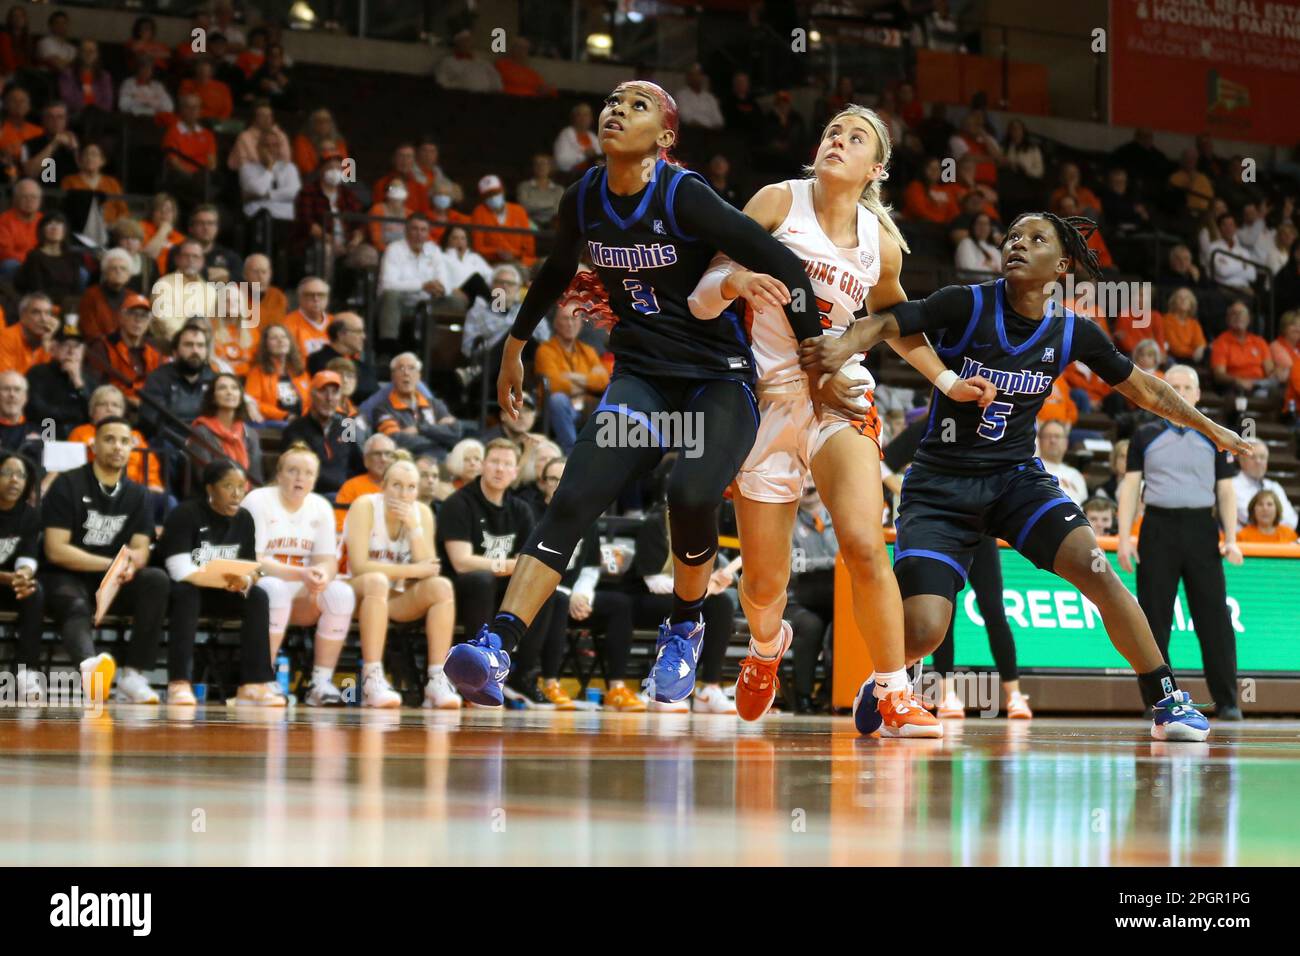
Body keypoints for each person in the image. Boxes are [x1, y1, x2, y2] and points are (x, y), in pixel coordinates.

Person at [444, 80, 829, 710]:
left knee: (691, 493)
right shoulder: (584, 198)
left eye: (638, 105)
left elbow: (786, 266)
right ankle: (497, 645)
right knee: (574, 496)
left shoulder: (686, 196)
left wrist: (817, 355)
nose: (617, 110)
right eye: (613, 101)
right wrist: (514, 346)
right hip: (644, 380)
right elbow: (557, 270)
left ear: (666, 138)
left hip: (717, 379)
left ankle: (683, 626)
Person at [803, 212, 1253, 741]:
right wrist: (843, 343)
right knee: (924, 629)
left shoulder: (1071, 332)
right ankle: (886, 681)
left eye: (1035, 239)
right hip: (941, 487)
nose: (1017, 244)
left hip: (1017, 479)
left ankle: (1167, 700)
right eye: (1012, 236)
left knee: (1097, 570)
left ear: (1061, 266)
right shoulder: (966, 303)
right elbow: (888, 319)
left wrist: (1209, 428)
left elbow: (1146, 389)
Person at [689, 104, 998, 734]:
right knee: (766, 585)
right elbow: (702, 293)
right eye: (832, 131)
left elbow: (895, 323)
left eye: (855, 138)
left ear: (874, 168)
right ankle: (766, 647)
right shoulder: (779, 200)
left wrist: (946, 380)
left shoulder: (880, 244)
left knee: (861, 542)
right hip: (766, 401)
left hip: (842, 398)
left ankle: (893, 690)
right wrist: (738, 281)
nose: (838, 141)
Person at [1117, 365, 1244, 721]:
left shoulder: (1213, 435)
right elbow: (1130, 486)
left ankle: (1228, 700)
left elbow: (1226, 489)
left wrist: (1231, 538)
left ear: (1198, 394)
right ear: (1160, 391)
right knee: (1153, 619)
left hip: (1202, 529)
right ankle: (1158, 700)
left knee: (1214, 618)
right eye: (1172, 386)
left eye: (1187, 387)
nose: (1180, 392)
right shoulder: (1144, 435)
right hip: (1158, 528)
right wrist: (1125, 537)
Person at [41, 417, 172, 705]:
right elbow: (55, 549)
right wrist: (110, 565)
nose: (118, 447)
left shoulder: (138, 494)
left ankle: (133, 676)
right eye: (110, 439)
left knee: (156, 580)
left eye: (125, 441)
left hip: (114, 582)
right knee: (75, 604)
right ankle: (91, 671)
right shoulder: (67, 484)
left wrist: (134, 562)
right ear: (94, 445)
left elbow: (141, 549)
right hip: (66, 575)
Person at [437, 438, 562, 706]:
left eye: (507, 464)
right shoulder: (458, 503)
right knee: (482, 579)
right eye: (494, 462)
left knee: (546, 590)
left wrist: (510, 568)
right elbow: (461, 562)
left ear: (515, 472)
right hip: (459, 590)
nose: (499, 469)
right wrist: (504, 566)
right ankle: (476, 672)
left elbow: (528, 563)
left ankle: (521, 675)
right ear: (483, 465)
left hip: (501, 588)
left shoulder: (521, 510)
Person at [158, 460, 284, 706]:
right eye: (228, 486)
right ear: (210, 489)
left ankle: (253, 684)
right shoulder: (186, 514)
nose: (237, 493)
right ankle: (179, 682)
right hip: (181, 591)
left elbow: (251, 567)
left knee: (258, 596)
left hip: (221, 592)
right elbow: (178, 569)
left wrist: (245, 581)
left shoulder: (245, 519)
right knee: (187, 593)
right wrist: (217, 577)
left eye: (241, 486)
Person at [341, 454, 461, 709]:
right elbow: (360, 565)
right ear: (383, 486)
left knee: (442, 588)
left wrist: (414, 528)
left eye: (411, 487)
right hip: (352, 593)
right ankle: (372, 677)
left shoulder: (423, 513)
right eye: (396, 485)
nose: (403, 493)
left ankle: (437, 680)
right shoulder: (365, 505)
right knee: (375, 580)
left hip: (392, 598)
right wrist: (413, 570)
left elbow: (430, 570)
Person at [243, 443, 358, 706]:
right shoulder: (258, 500)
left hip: (302, 592)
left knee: (341, 593)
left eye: (307, 473)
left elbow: (328, 560)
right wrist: (302, 573)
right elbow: (255, 562)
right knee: (275, 588)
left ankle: (320, 682)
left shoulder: (320, 507)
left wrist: (322, 575)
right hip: (256, 591)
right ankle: (264, 678)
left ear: (315, 479)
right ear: (279, 474)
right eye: (293, 471)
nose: (300, 478)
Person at [532, 455, 640, 710]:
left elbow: (591, 568)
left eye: (565, 479)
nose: (559, 485)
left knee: (620, 604)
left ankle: (616, 688)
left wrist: (581, 595)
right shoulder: (533, 513)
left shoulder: (587, 518)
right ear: (543, 483)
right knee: (557, 599)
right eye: (553, 479)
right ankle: (549, 682)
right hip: (541, 596)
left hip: (571, 596)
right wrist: (568, 594)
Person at [928, 536, 1032, 720]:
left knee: (995, 611)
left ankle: (1014, 695)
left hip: (981, 534)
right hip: (945, 534)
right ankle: (947, 695)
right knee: (946, 613)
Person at [533, 296, 609, 452]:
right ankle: (572, 454)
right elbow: (554, 385)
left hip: (586, 408)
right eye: (565, 319)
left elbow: (603, 381)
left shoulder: (588, 351)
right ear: (555, 323)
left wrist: (574, 379)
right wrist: (588, 383)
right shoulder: (545, 350)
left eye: (574, 319)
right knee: (558, 399)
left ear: (581, 323)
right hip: (556, 410)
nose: (570, 324)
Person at [0, 452, 45, 703]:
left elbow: (28, 555)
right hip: (3, 579)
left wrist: (23, 575)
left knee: (34, 590)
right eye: (7, 473)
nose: (14, 480)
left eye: (20, 475)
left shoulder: (30, 515)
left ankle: (25, 672)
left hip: (8, 584)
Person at [281, 372, 363, 496]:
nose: (329, 398)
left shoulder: (347, 425)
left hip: (345, 496)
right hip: (311, 496)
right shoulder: (295, 429)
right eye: (323, 391)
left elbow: (357, 464)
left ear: (340, 397)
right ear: (312, 395)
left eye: (335, 392)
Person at [371, 353, 462, 458]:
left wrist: (420, 429)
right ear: (393, 377)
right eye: (401, 368)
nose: (406, 373)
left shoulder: (435, 404)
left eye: (411, 368)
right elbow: (395, 440)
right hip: (407, 465)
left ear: (419, 376)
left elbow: (455, 432)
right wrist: (440, 438)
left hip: (440, 464)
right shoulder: (383, 409)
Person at [188, 373, 264, 484]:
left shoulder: (250, 434)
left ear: (240, 396)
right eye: (222, 388)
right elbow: (203, 476)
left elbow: (255, 477)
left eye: (234, 388)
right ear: (213, 397)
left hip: (246, 496)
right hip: (211, 497)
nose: (229, 392)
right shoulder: (201, 432)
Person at [242, 323, 309, 423]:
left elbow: (311, 401)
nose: (280, 341)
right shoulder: (257, 372)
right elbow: (254, 402)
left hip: (302, 423)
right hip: (274, 424)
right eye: (274, 338)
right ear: (266, 345)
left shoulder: (300, 371)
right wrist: (285, 416)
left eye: (284, 337)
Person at [333, 432, 395, 530]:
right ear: (366, 460)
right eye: (377, 454)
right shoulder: (351, 487)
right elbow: (340, 526)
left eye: (388, 454)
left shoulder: (404, 486)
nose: (383, 459)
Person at [1232, 439, 1297, 531]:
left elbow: (1292, 520)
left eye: (1262, 457)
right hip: (1244, 542)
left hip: (1279, 541)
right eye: (1253, 457)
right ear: (1241, 461)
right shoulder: (1231, 486)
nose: (1258, 461)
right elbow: (1248, 517)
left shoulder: (1275, 486)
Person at [1035, 419, 1088, 504]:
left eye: (1057, 436)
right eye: (1048, 436)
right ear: (1039, 441)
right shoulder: (1032, 470)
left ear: (1066, 443)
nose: (1053, 440)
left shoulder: (1076, 475)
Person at [517, 154, 564, 228]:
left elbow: (558, 210)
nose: (541, 166)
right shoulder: (524, 187)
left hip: (552, 225)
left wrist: (535, 206)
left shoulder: (559, 189)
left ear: (550, 167)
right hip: (530, 223)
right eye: (537, 163)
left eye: (544, 163)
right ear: (533, 167)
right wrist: (549, 206)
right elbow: (524, 208)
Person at [553, 102, 601, 174]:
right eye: (579, 115)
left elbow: (600, 156)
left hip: (591, 177)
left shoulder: (593, 137)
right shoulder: (566, 134)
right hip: (570, 178)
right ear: (573, 118)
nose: (583, 118)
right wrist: (584, 155)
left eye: (586, 115)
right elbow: (561, 162)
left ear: (591, 119)